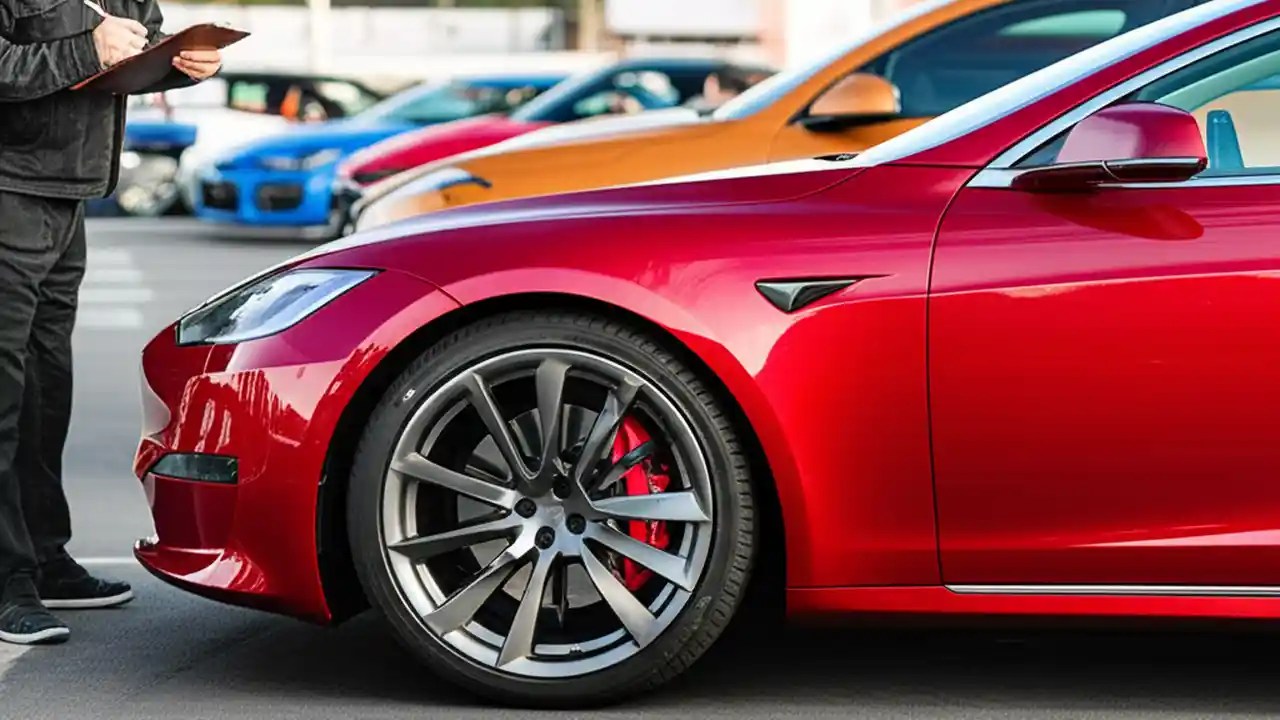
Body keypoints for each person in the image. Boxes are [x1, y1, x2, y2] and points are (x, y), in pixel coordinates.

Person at [0, 0, 221, 645]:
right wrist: (87, 50)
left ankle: (43, 559)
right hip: (8, 190)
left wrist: (181, 65)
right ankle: (7, 578)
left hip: (70, 197)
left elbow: (136, 52)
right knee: (4, 399)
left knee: (46, 396)